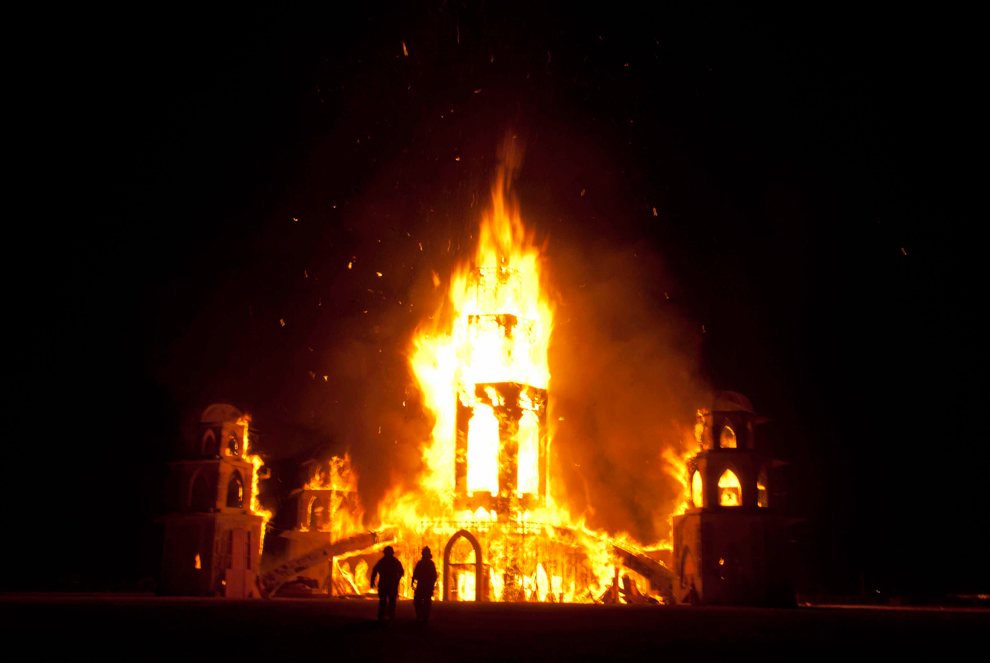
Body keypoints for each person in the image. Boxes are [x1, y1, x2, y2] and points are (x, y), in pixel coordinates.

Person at [370, 546, 404, 622]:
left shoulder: (383, 561)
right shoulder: (393, 561)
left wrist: (372, 581)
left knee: (385, 601)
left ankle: (384, 616)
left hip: (387, 584)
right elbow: (401, 572)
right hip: (388, 584)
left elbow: (375, 571)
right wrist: (397, 580)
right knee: (387, 601)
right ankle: (386, 616)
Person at [412, 547, 438, 621]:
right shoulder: (430, 563)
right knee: (424, 601)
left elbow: (415, 574)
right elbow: (434, 576)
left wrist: (413, 581)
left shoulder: (422, 563)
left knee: (420, 601)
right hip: (426, 586)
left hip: (423, 585)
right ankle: (424, 616)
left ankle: (422, 615)